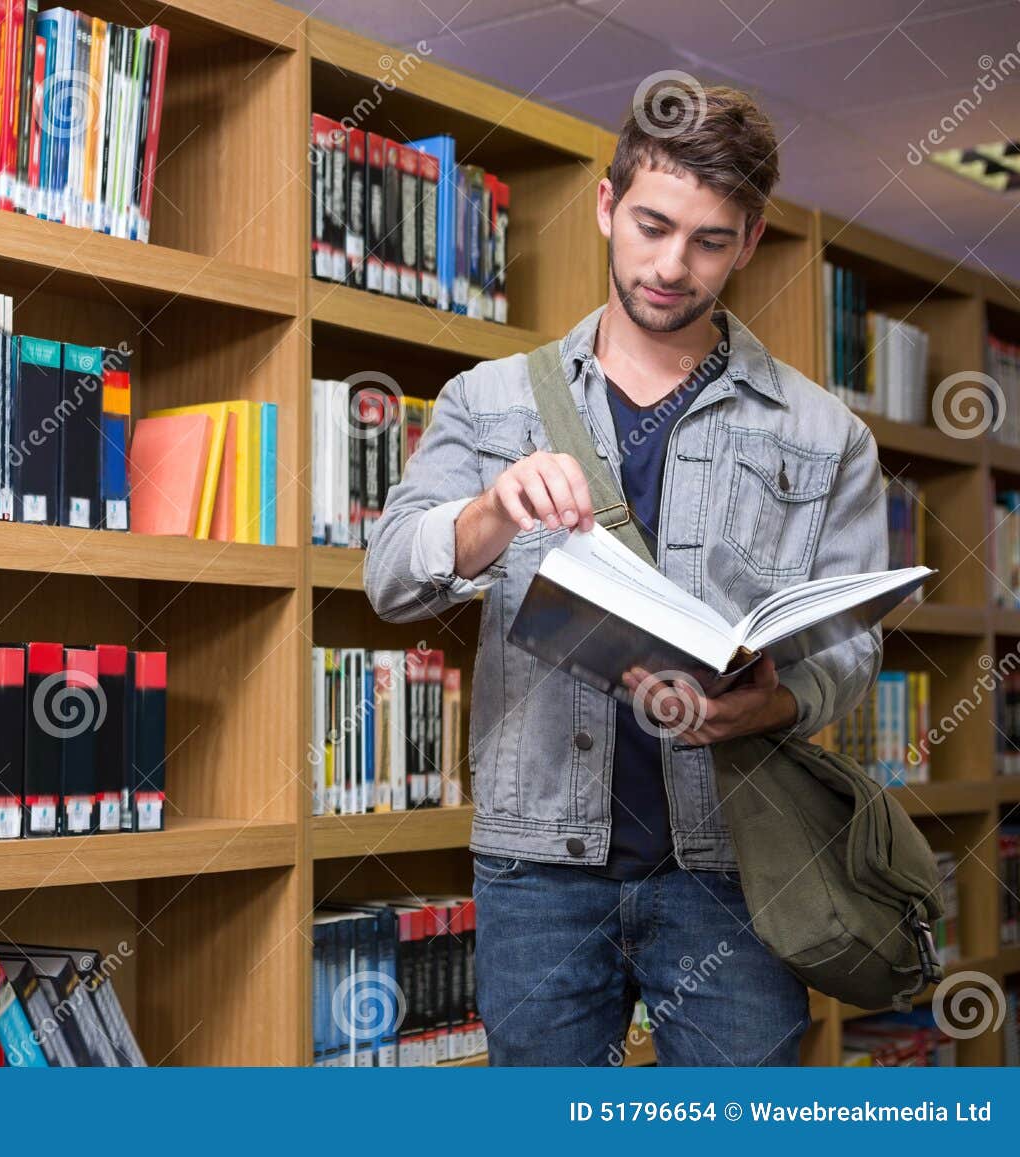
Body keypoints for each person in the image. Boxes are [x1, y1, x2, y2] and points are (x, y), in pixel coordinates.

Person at [363, 85, 886, 1066]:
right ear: (607, 204)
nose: (668, 265)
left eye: (707, 241)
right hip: (536, 868)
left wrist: (767, 708)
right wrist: (488, 511)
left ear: (749, 241)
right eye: (650, 225)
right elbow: (389, 578)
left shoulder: (823, 434)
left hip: (733, 865)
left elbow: (851, 644)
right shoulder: (488, 402)